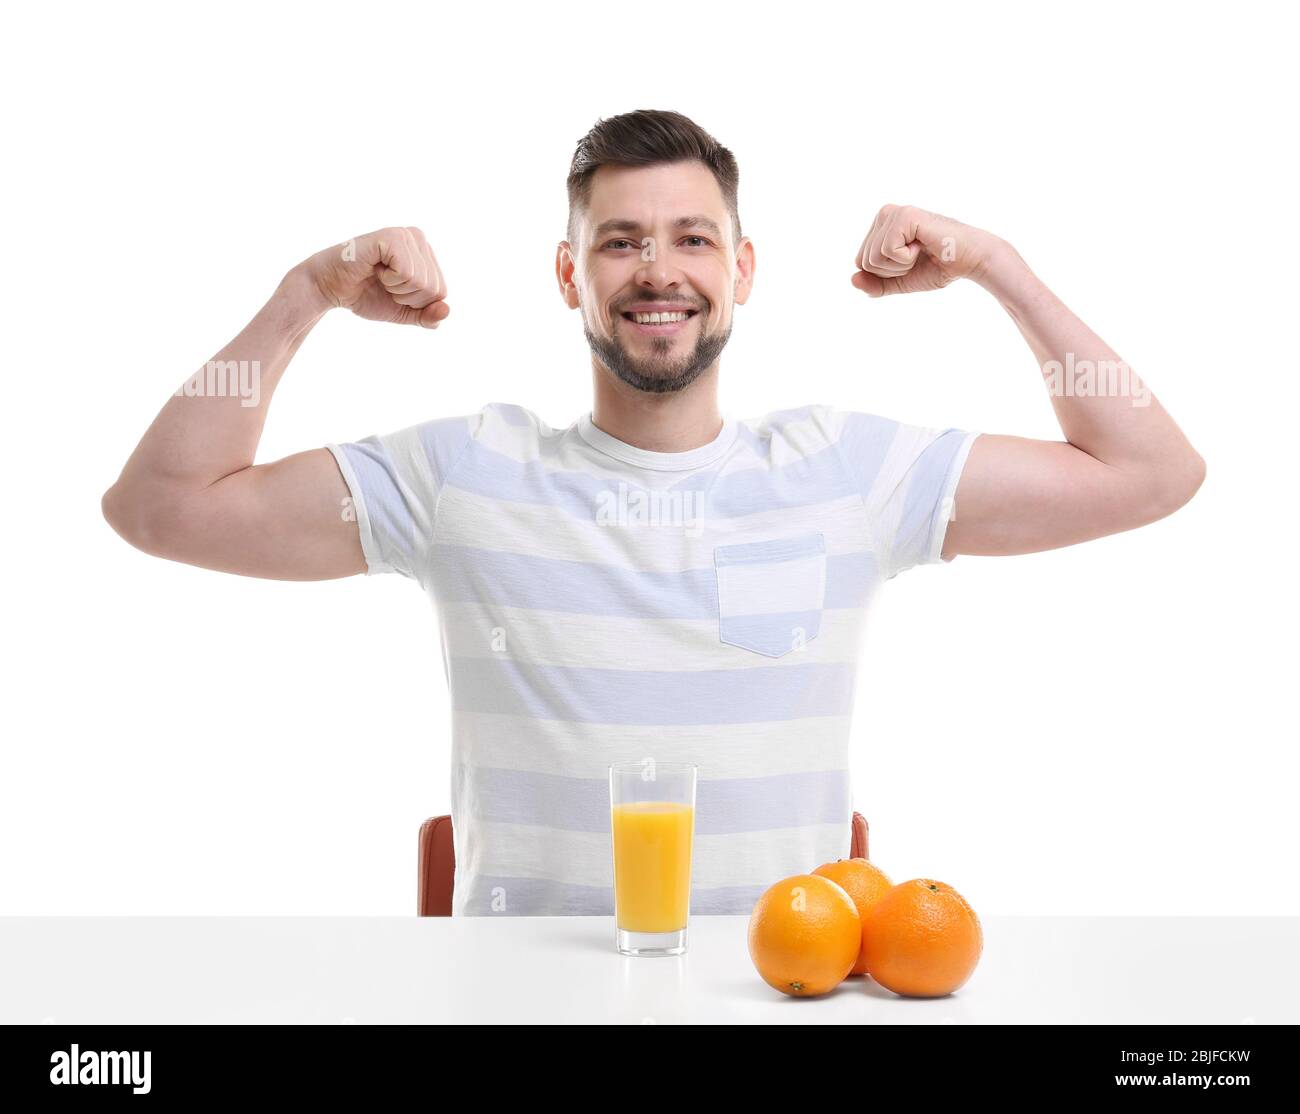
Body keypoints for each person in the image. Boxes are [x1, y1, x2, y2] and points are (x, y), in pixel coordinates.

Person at [102, 109, 1204, 915]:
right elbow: (159, 506)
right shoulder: (464, 475)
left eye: (691, 237)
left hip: (782, 991)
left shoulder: (847, 472)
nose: (657, 271)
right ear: (568, 276)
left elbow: (1151, 470)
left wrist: (996, 265)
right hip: (517, 1010)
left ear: (743, 268)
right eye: (620, 241)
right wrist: (310, 292)